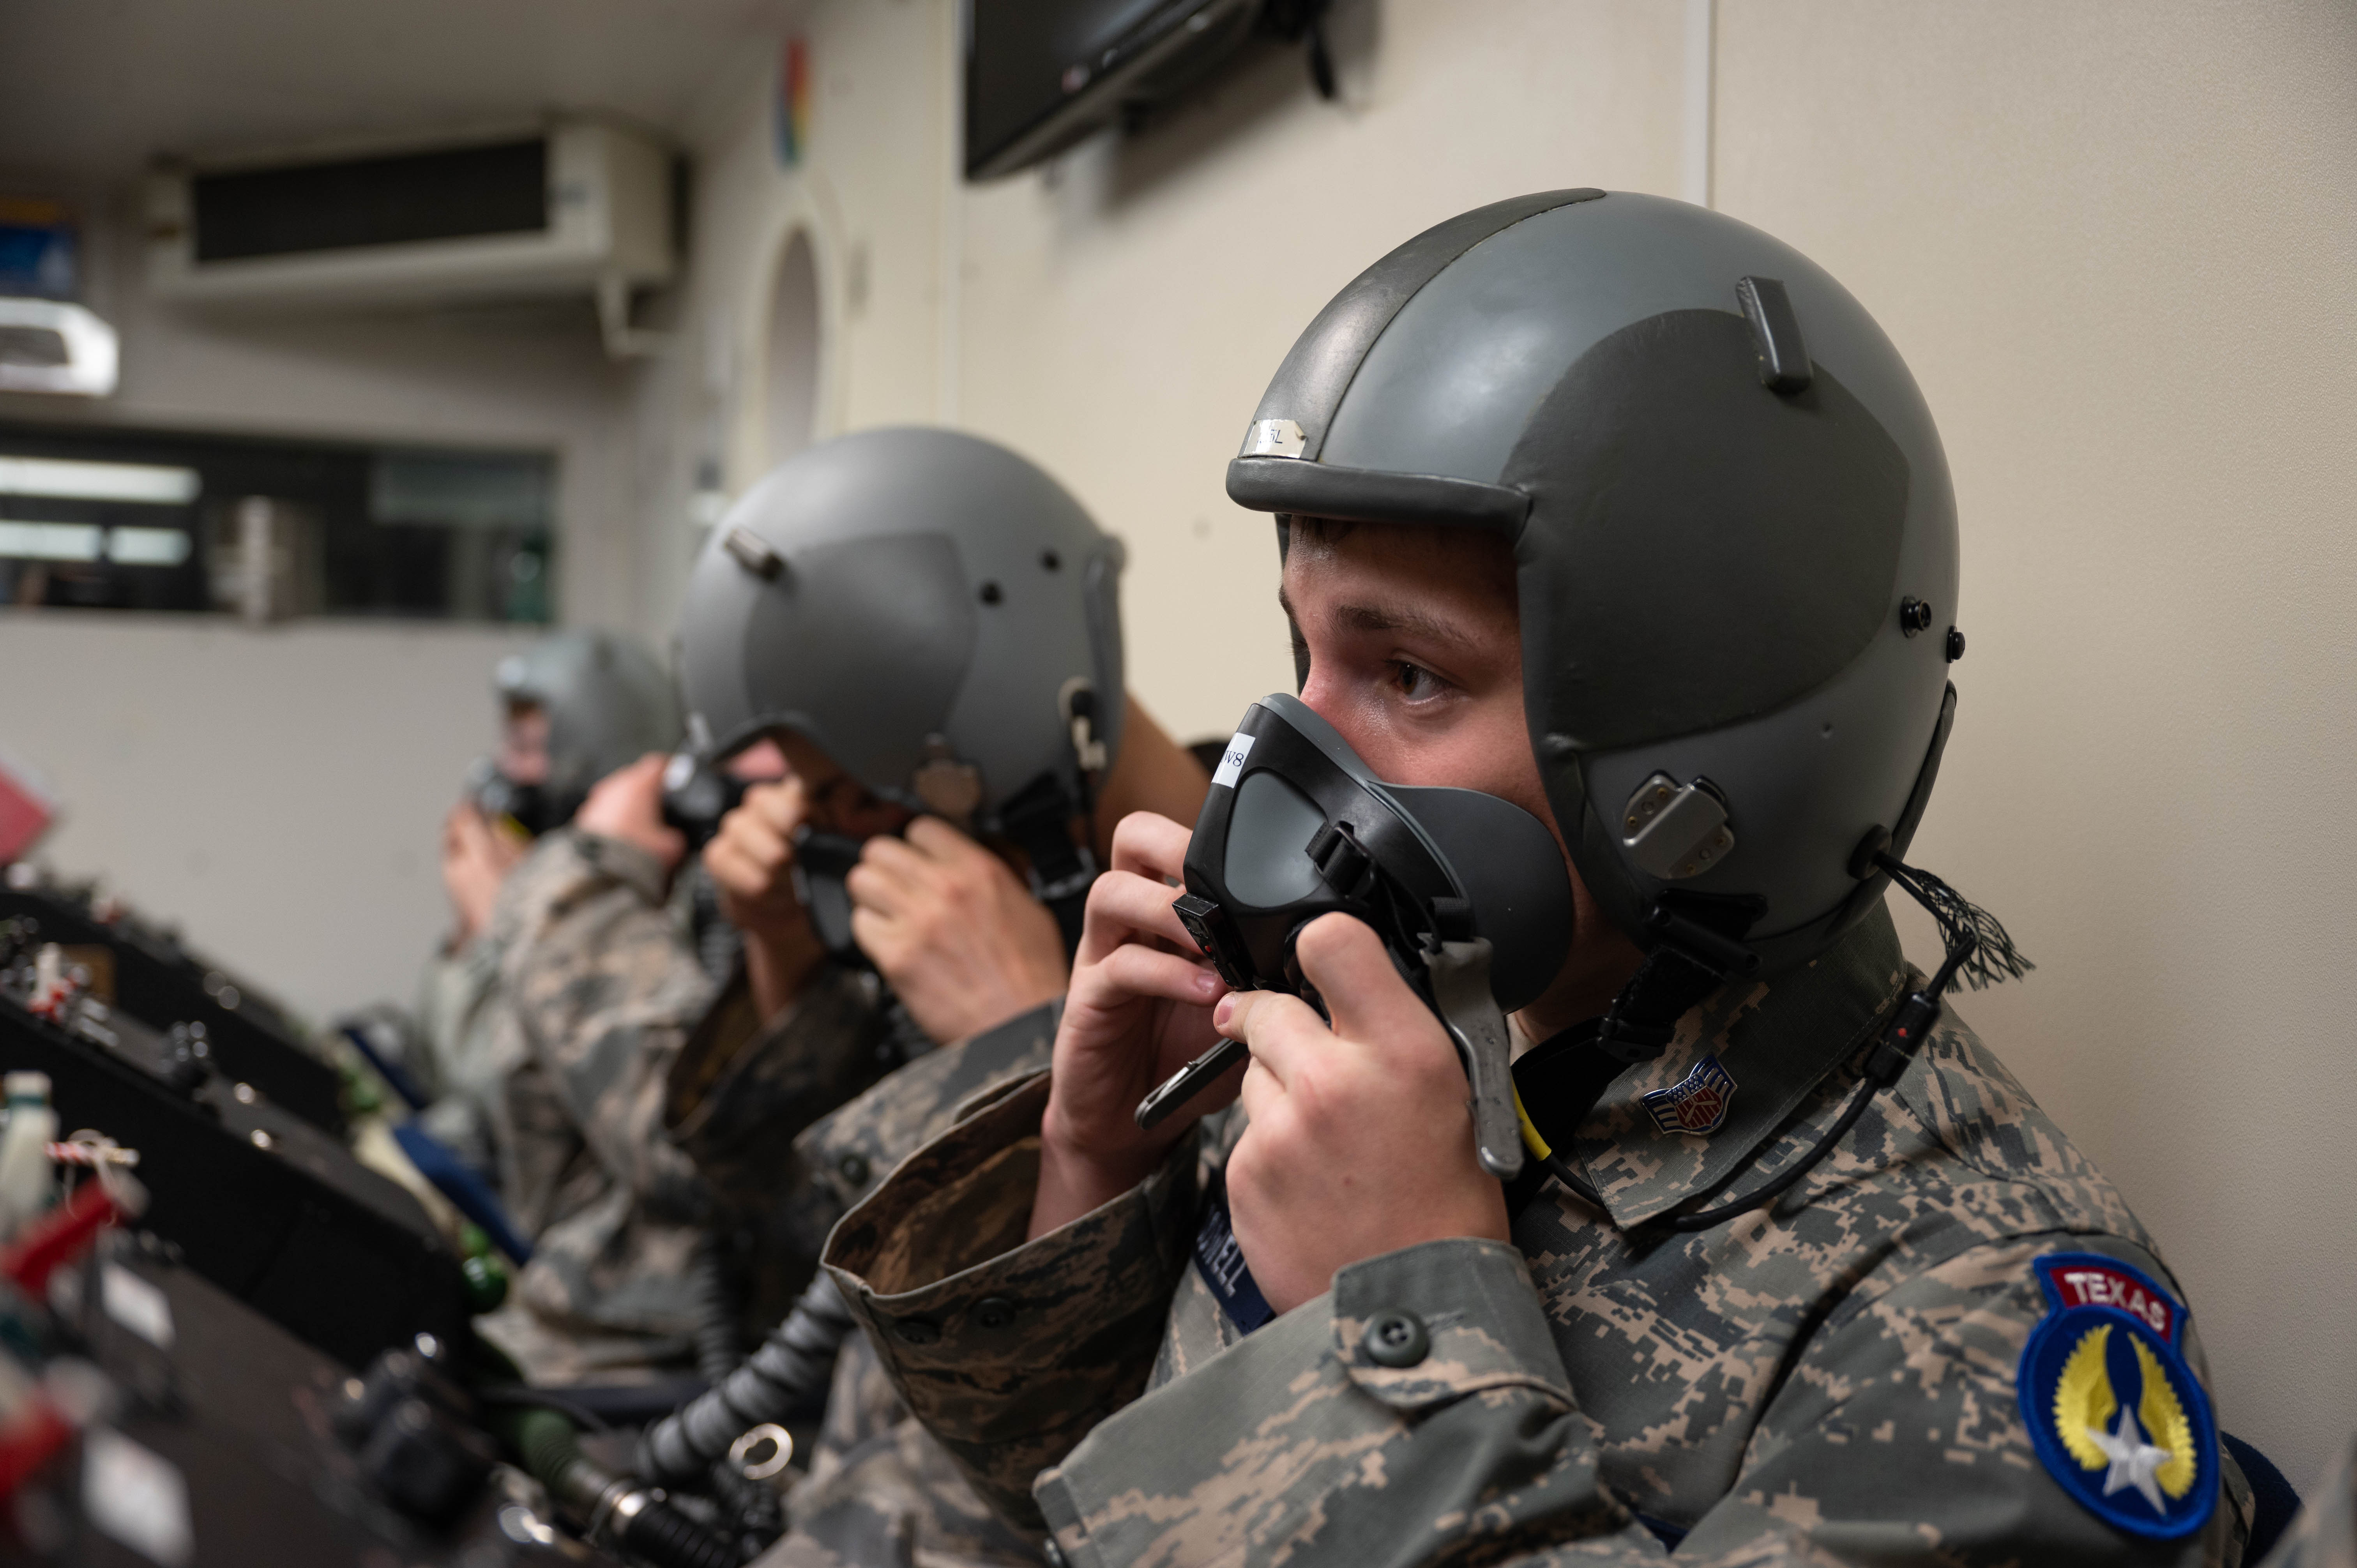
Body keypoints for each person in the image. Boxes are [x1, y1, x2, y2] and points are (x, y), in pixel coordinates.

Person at [817, 191, 2254, 1566]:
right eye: (1302, 655)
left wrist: (1385, 1340)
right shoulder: (1430, 1025)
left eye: (1409, 675)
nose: (1290, 757)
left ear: (1693, 770)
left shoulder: (1975, 1322)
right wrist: (1095, 1166)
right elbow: (1066, 1506)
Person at [493, 430, 1206, 1448]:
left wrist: (1020, 1042)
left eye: (839, 794)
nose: (814, 829)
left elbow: (1122, 1412)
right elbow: (777, 1222)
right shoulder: (973, 895)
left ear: (982, 745)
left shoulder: (1267, 951)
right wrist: (782, 954)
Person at [410, 631, 680, 1199]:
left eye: (533, 747)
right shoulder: (544, 897)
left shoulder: (643, 914)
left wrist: (495, 936)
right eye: (510, 743)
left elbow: (511, 1101)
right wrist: (473, 938)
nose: (506, 772)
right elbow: (440, 1078)